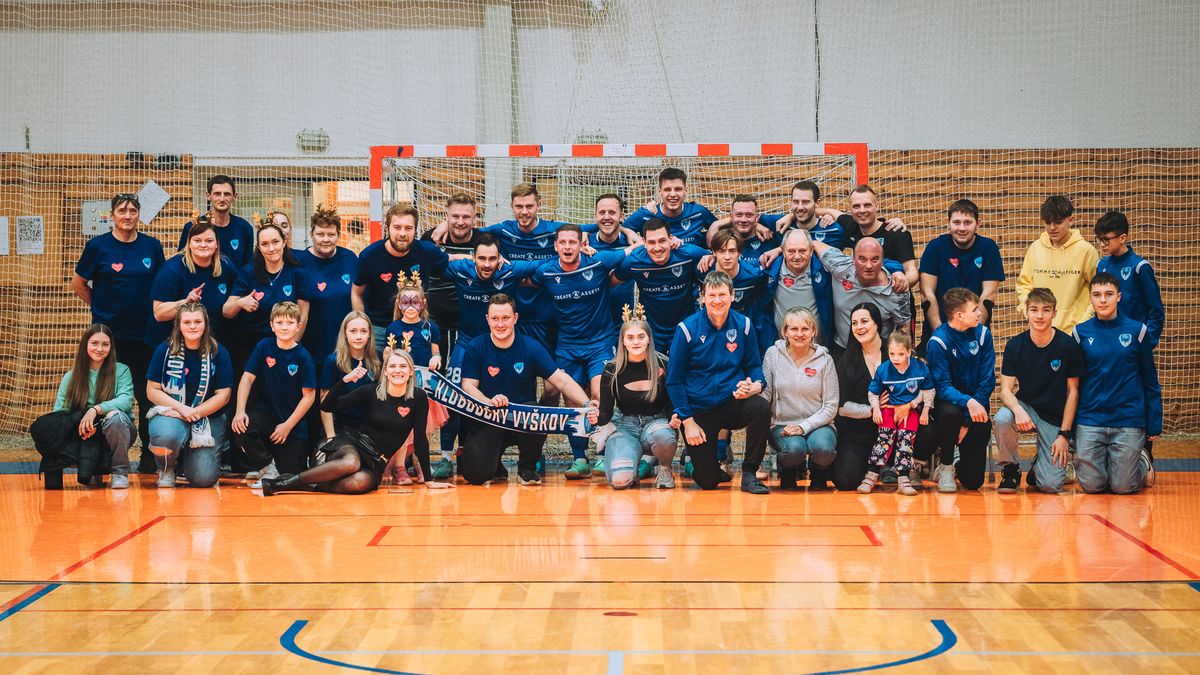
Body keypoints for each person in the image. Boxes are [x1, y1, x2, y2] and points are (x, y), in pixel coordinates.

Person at [434, 234, 541, 479]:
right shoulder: (461, 268)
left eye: (492, 259)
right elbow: (430, 257)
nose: (486, 264)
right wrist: (451, 251)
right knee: (453, 397)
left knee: (514, 396)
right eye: (481, 258)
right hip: (468, 343)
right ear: (473, 258)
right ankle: (447, 456)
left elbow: (543, 263)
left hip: (502, 343)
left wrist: (586, 247)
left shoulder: (512, 269)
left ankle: (526, 455)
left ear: (500, 259)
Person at [458, 294, 594, 486]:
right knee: (476, 476)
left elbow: (562, 381)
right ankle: (495, 463)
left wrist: (587, 404)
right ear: (487, 319)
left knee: (536, 413)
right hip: (490, 419)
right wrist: (488, 401)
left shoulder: (531, 347)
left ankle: (527, 468)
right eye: (495, 318)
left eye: (505, 318)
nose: (500, 324)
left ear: (515, 318)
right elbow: (468, 385)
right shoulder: (476, 346)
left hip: (523, 421)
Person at [532, 223, 634, 478]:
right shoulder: (545, 271)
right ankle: (579, 458)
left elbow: (635, 251)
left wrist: (630, 232)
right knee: (572, 400)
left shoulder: (598, 261)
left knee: (600, 395)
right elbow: (521, 279)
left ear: (581, 244)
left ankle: (602, 455)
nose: (567, 247)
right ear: (555, 246)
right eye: (562, 243)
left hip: (599, 343)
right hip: (567, 346)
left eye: (572, 242)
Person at [262, 347, 437, 495]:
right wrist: (344, 381)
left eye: (402, 366)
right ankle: (283, 484)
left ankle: (310, 484)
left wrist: (429, 480)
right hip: (353, 444)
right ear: (385, 371)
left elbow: (420, 439)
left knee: (358, 483)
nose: (397, 370)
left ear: (410, 370)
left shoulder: (418, 397)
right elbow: (327, 406)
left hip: (376, 460)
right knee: (351, 463)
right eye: (392, 366)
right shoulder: (370, 391)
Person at [72, 193, 165, 466]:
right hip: (109, 340)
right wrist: (100, 310)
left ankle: (150, 456)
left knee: (147, 396)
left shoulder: (152, 246)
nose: (127, 215)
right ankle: (101, 457)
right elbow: (78, 284)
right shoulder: (97, 246)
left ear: (139, 215)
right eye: (122, 210)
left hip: (146, 336)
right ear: (112, 215)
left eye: (133, 210)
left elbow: (161, 287)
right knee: (106, 396)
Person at [666, 271, 771, 493]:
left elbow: (753, 365)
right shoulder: (686, 329)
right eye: (711, 295)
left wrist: (757, 385)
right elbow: (674, 381)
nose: (717, 300)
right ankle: (703, 466)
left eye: (722, 294)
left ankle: (750, 473)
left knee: (760, 407)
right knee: (708, 481)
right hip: (699, 409)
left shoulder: (744, 325)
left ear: (732, 295)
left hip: (730, 401)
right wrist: (687, 421)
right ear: (702, 297)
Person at [1073, 273, 1162, 494]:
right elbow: (1072, 385)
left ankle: (1142, 461)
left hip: (1128, 419)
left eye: (1108, 294)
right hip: (1090, 418)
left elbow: (1149, 379)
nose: (1103, 300)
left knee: (1122, 487)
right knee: (1091, 486)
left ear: (1119, 297)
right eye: (1097, 295)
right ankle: (1110, 463)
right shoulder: (1080, 333)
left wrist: (1154, 421)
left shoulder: (1137, 331)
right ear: (1090, 299)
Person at [995, 288, 1084, 494]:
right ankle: (1011, 469)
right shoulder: (1015, 345)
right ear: (1026, 312)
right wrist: (1018, 410)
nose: (1040, 315)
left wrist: (1064, 435)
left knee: (1049, 486)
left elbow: (1073, 393)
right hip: (1026, 406)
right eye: (1034, 310)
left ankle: (1039, 466)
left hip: (1054, 416)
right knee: (1002, 418)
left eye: (1046, 310)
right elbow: (1005, 391)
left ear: (1054, 313)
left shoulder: (1068, 346)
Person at [145, 304, 233, 488]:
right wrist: (181, 409)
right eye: (187, 322)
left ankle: (188, 461)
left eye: (197, 322)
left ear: (205, 324)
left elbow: (224, 395)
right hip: (173, 412)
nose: (192, 326)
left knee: (204, 478)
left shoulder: (219, 352)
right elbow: (152, 390)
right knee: (167, 435)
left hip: (206, 416)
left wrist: (196, 412)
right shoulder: (164, 350)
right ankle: (167, 468)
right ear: (178, 325)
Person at [589, 314, 680, 489]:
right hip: (624, 426)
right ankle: (632, 464)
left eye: (641, 337)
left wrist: (674, 420)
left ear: (649, 339)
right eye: (630, 337)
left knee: (664, 436)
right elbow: (606, 412)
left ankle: (665, 468)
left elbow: (671, 403)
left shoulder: (663, 363)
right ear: (623, 341)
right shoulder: (611, 369)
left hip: (656, 423)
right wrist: (597, 418)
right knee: (620, 482)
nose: (636, 342)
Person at [232, 302, 317, 480]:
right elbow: (247, 378)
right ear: (271, 325)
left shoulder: (303, 356)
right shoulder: (264, 346)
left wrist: (288, 426)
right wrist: (240, 411)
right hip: (268, 415)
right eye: (279, 323)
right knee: (242, 426)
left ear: (298, 326)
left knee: (289, 477)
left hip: (292, 424)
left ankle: (279, 467)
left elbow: (309, 396)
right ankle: (265, 466)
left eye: (290, 323)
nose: (284, 327)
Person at [45, 325, 136, 488]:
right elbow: (60, 413)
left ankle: (119, 472)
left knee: (115, 416)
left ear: (111, 347)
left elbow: (126, 401)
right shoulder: (71, 377)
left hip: (117, 430)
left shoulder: (122, 370)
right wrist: (81, 426)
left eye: (105, 344)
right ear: (85, 345)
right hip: (85, 434)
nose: (99, 349)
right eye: (94, 343)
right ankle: (92, 466)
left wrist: (95, 410)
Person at [353, 203, 451, 351]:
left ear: (415, 231)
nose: (403, 233)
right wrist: (361, 324)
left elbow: (453, 258)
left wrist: (487, 257)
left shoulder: (426, 251)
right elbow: (356, 293)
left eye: (408, 228)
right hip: (379, 328)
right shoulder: (369, 256)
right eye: (397, 227)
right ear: (387, 229)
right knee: (376, 372)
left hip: (415, 326)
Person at [760, 308, 838, 490]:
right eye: (794, 329)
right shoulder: (773, 355)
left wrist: (803, 427)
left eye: (805, 329)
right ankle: (788, 472)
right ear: (784, 332)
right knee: (794, 450)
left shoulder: (825, 360)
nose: (800, 334)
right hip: (782, 424)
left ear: (813, 332)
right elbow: (765, 395)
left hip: (819, 424)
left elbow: (831, 405)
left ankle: (819, 473)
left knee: (824, 449)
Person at [926, 288, 995, 492]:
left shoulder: (983, 335)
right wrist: (968, 403)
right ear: (959, 315)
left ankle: (956, 465)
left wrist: (967, 420)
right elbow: (943, 387)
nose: (980, 313)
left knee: (973, 482)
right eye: (974, 310)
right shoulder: (938, 342)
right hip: (950, 407)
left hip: (976, 407)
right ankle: (946, 466)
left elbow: (987, 381)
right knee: (949, 413)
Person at [222, 222, 309, 374]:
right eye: (265, 244)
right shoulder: (248, 272)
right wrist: (240, 302)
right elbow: (227, 311)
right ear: (259, 248)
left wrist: (292, 345)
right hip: (250, 346)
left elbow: (304, 312)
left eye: (275, 242)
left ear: (284, 242)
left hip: (285, 342)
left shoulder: (297, 272)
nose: (271, 248)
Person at [614, 219, 709, 352]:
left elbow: (717, 256)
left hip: (685, 326)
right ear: (644, 243)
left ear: (671, 239)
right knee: (654, 371)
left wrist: (711, 257)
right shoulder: (634, 261)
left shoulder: (688, 253)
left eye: (662, 241)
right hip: (652, 330)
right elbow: (612, 281)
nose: (657, 248)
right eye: (652, 242)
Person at [919, 199, 1004, 346]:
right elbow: (927, 294)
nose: (962, 228)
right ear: (948, 223)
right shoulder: (935, 247)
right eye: (956, 222)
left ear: (978, 223)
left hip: (974, 336)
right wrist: (942, 337)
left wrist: (973, 334)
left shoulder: (988, 248)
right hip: (938, 334)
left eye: (968, 222)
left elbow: (988, 295)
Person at [857, 330, 933, 496]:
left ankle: (904, 480)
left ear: (909, 351)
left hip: (910, 411)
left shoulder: (920, 368)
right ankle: (870, 477)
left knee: (905, 441)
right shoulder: (883, 369)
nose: (895, 358)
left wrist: (925, 410)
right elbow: (873, 392)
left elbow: (928, 390)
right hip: (889, 410)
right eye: (892, 353)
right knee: (884, 439)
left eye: (900, 354)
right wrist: (876, 408)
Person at [811, 237, 911, 354]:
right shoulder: (841, 267)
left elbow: (904, 326)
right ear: (853, 260)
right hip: (842, 350)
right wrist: (784, 246)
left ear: (883, 261)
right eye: (862, 259)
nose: (868, 266)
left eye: (874, 260)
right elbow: (813, 243)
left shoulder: (897, 291)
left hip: (878, 355)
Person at [1016, 195, 1099, 333]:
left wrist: (1083, 323)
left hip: (1076, 332)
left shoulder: (1086, 251)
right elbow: (1024, 285)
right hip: (1041, 330)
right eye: (1048, 223)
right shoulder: (1035, 248)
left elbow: (1097, 290)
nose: (1052, 228)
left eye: (1058, 222)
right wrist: (1030, 312)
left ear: (1070, 220)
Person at [422, 193, 484, 364]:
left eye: (466, 217)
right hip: (435, 322)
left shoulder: (484, 241)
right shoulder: (430, 239)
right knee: (434, 376)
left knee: (468, 378)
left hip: (471, 326)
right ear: (446, 216)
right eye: (455, 216)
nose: (460, 221)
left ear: (475, 218)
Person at [297, 204, 359, 367]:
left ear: (338, 235)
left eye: (331, 234)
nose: (326, 239)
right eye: (320, 234)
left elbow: (358, 295)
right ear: (311, 235)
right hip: (311, 345)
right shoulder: (299, 263)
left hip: (345, 345)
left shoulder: (350, 258)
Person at [1095, 211, 1164, 349]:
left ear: (1122, 238)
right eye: (1099, 239)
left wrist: (1145, 343)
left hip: (1132, 342)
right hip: (1106, 340)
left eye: (1106, 239)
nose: (1102, 244)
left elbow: (1156, 311)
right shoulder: (1101, 265)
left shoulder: (1139, 267)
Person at [318, 311, 380, 439]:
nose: (358, 336)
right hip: (341, 428)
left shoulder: (377, 359)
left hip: (369, 428)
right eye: (353, 331)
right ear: (345, 334)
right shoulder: (333, 361)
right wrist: (331, 437)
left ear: (369, 334)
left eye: (363, 331)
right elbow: (324, 401)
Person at [623, 167, 717, 247]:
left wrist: (716, 225)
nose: (672, 194)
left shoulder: (698, 212)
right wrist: (627, 231)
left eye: (678, 189)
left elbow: (727, 231)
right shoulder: (645, 214)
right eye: (667, 189)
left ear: (686, 190)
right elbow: (615, 230)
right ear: (660, 192)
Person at [178, 175, 256, 269]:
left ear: (234, 197)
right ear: (208, 196)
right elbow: (181, 262)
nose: (222, 199)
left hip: (236, 283)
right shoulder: (192, 226)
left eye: (227, 194)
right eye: (217, 194)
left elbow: (248, 266)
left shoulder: (245, 228)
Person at [583, 193, 638, 324]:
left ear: (621, 216)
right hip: (592, 322)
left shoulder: (632, 242)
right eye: (602, 212)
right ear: (595, 216)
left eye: (612, 212)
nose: (606, 217)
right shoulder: (584, 244)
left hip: (624, 321)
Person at [383, 275, 441, 380]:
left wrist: (436, 358)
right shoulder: (392, 328)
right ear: (399, 304)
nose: (410, 308)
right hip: (401, 376)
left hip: (425, 377)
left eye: (415, 303)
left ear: (422, 303)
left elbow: (436, 353)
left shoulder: (431, 327)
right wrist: (386, 354)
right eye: (405, 303)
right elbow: (388, 357)